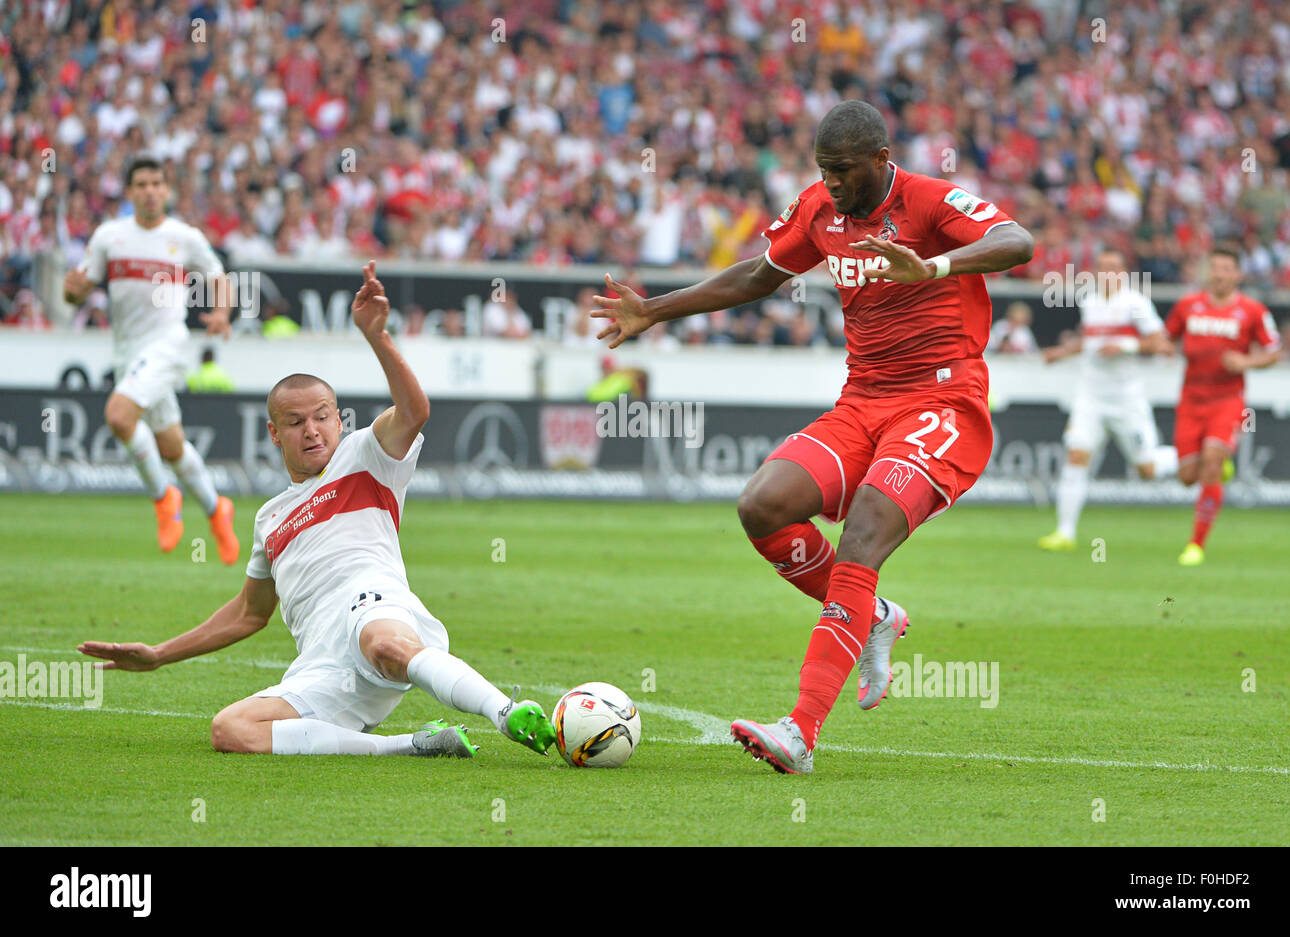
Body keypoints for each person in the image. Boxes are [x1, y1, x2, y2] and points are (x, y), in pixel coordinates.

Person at [592, 101, 1035, 773]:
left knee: (862, 534)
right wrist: (655, 309)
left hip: (942, 399)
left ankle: (799, 731)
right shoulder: (819, 211)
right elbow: (757, 275)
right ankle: (874, 615)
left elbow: (1017, 241)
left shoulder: (931, 201)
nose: (832, 184)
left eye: (844, 171)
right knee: (762, 505)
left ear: (882, 161)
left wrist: (934, 267)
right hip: (864, 399)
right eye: (823, 170)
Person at [77, 262, 558, 759]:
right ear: (274, 433)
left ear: (338, 419)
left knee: (386, 644)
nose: (312, 430)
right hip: (322, 663)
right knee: (231, 730)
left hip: (373, 608)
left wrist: (378, 337)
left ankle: (505, 712)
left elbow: (415, 411)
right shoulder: (270, 519)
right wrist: (159, 655)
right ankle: (410, 746)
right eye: (296, 421)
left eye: (322, 417)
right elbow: (248, 613)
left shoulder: (365, 455)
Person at [63, 155, 241, 565]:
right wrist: (70, 291)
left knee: (119, 416)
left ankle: (164, 497)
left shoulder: (184, 236)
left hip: (168, 345)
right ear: (130, 191)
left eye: (156, 183)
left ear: (166, 190)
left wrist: (221, 312)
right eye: (141, 183)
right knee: (172, 445)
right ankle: (217, 510)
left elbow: (218, 276)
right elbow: (78, 291)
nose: (149, 190)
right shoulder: (110, 236)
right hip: (127, 352)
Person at [1037, 248, 1179, 551]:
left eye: (1114, 267)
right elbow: (1091, 341)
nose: (1107, 272)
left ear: (1124, 273)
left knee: (1147, 469)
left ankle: (1193, 458)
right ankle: (1065, 533)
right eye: (1102, 267)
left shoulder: (1135, 303)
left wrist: (1125, 345)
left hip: (1126, 399)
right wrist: (1061, 353)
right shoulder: (1090, 302)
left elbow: (1161, 344)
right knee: (1077, 455)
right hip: (1091, 395)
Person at [1163, 248, 1281, 566]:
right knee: (1188, 476)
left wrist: (1246, 361)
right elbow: (1167, 337)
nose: (1218, 274)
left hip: (1228, 401)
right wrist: (1164, 349)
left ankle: (1195, 544)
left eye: (1226, 268)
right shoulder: (1187, 306)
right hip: (1190, 400)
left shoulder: (1253, 310)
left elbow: (1273, 352)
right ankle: (1219, 467)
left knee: (1212, 460)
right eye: (1214, 267)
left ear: (1237, 274)